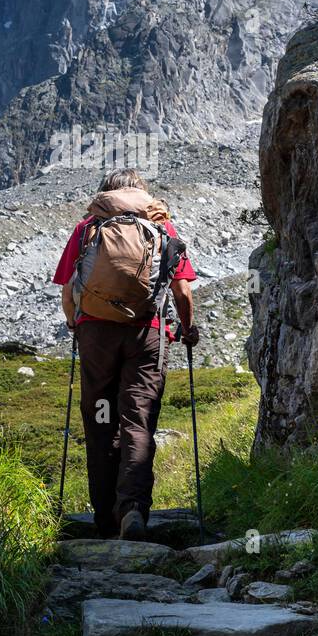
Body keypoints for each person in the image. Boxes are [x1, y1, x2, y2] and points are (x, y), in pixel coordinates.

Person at [52, 168, 199, 541]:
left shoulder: (89, 227)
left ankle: (104, 518)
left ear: (106, 193)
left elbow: (68, 292)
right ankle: (132, 508)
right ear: (142, 194)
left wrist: (75, 324)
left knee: (101, 421)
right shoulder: (163, 227)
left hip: (96, 334)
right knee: (138, 418)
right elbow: (182, 292)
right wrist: (188, 328)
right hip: (147, 335)